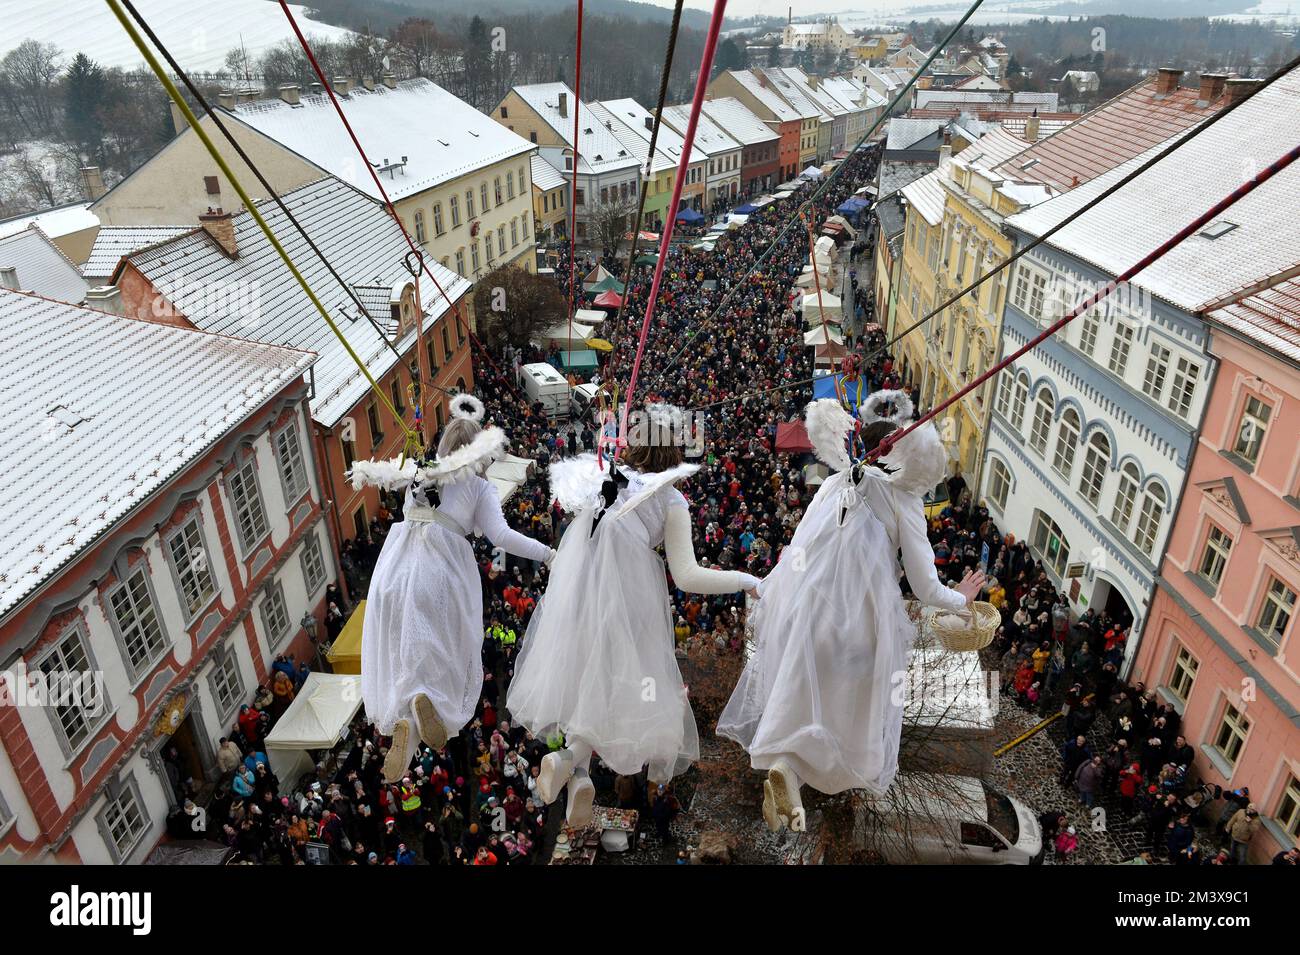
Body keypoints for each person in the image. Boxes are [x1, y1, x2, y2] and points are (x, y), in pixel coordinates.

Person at [717, 395, 985, 831]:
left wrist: (768, 592)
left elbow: (796, 553)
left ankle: (787, 767)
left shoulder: (835, 482)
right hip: (859, 630)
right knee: (850, 709)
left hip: (805, 616)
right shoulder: (904, 500)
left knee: (801, 697)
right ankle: (808, 773)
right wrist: (962, 597)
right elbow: (923, 586)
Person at [508, 403, 761, 828]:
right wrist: (744, 579)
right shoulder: (671, 498)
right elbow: (687, 575)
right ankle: (578, 764)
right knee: (636, 684)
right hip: (631, 598)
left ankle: (575, 763)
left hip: (580, 596)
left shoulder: (604, 477)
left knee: (589, 673)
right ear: (676, 448)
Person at [354, 394, 555, 781]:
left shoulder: (418, 472)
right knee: (449, 648)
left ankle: (407, 728)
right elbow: (502, 536)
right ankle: (429, 703)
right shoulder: (479, 488)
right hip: (438, 571)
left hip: (392, 574)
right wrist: (548, 554)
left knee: (402, 649)